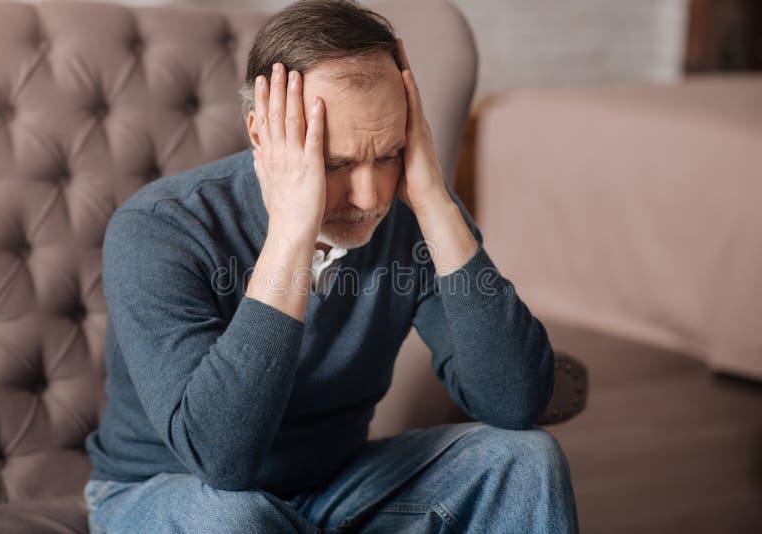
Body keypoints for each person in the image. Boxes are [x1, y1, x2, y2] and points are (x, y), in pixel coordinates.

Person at [82, 0, 579, 532]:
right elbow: (222, 460)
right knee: (234, 518)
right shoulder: (159, 229)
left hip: (337, 483)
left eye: (387, 155)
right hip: (174, 492)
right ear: (261, 136)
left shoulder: (414, 215)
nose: (368, 196)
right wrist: (292, 233)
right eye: (336, 163)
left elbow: (514, 401)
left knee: (525, 458)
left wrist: (435, 202)